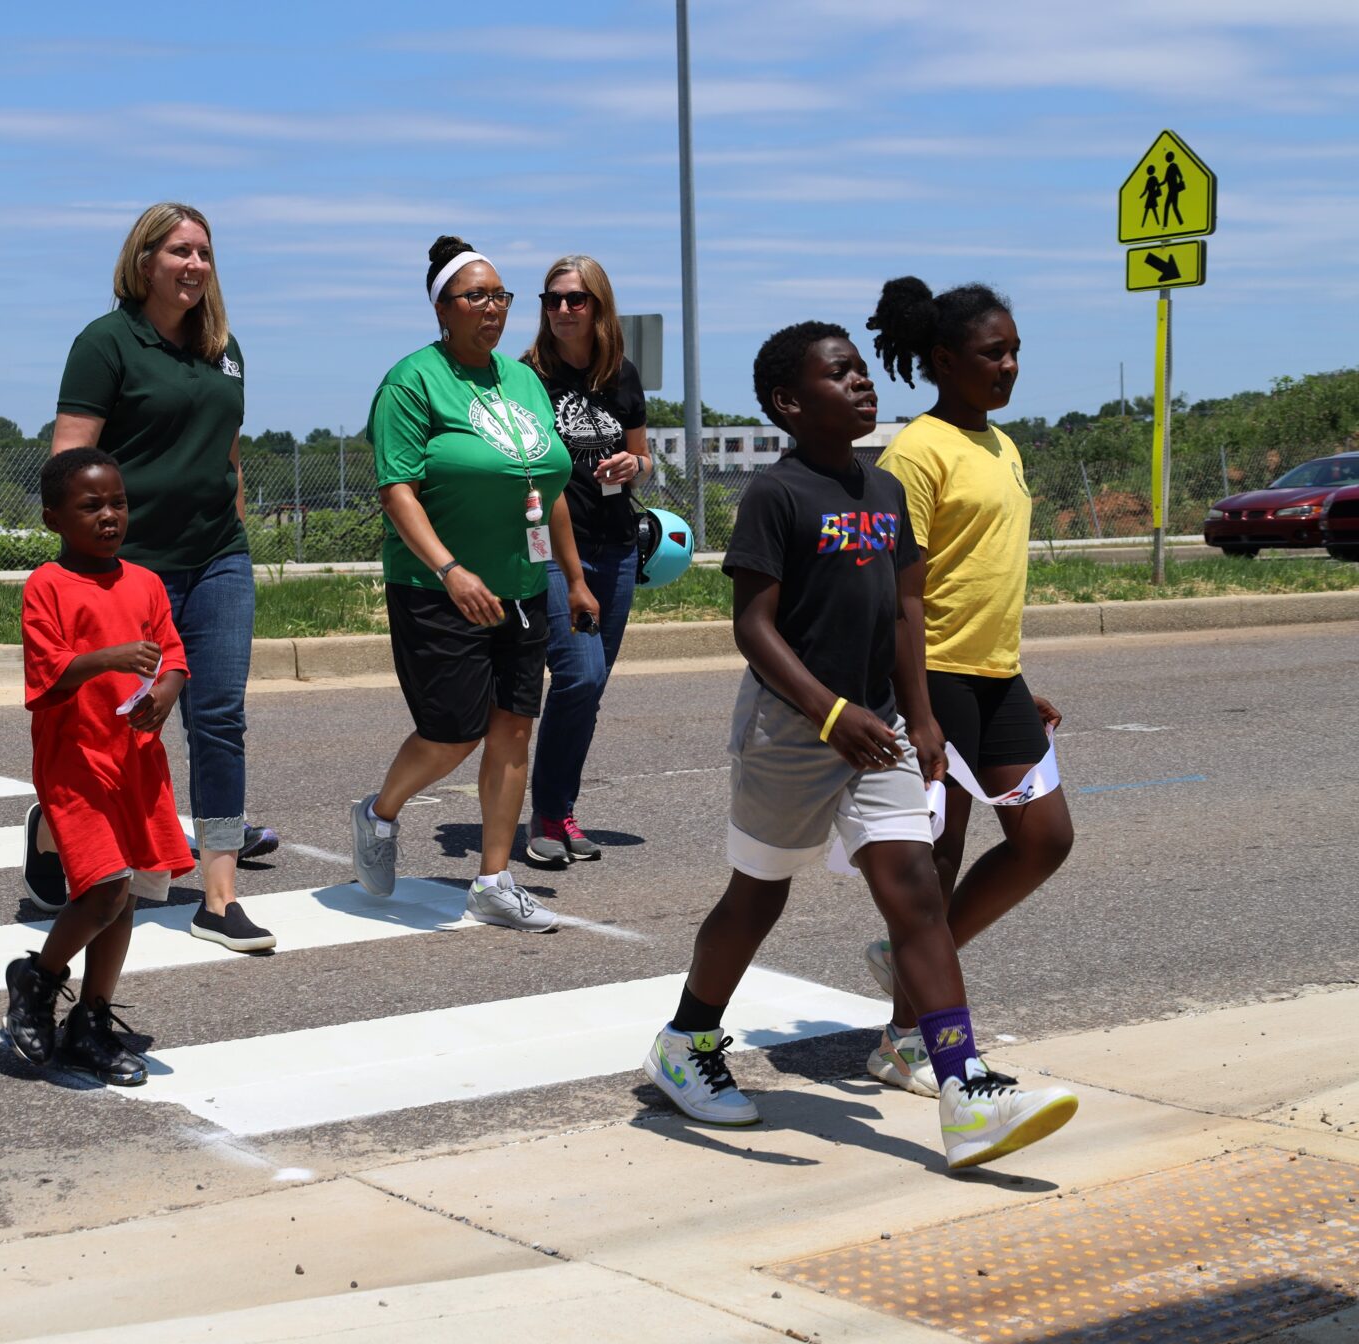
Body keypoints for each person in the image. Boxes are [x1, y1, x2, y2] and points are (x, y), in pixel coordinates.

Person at [639, 320, 1076, 1170]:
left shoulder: (882, 491)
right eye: (839, 375)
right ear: (790, 403)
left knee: (914, 889)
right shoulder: (776, 493)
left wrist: (922, 717)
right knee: (757, 896)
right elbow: (753, 627)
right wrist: (830, 714)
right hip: (792, 730)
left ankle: (966, 1088)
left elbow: (907, 613)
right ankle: (685, 1040)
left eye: (863, 371)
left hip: (880, 726)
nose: (862, 384)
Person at [40, 202, 277, 953]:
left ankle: (218, 893)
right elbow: (70, 459)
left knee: (217, 717)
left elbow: (228, 451)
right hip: (131, 570)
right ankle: (55, 831)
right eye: (179, 251)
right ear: (144, 261)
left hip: (218, 558)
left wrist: (233, 518)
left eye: (204, 252)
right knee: (121, 731)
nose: (195, 265)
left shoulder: (225, 348)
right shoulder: (106, 343)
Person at [859, 277, 1075, 1098]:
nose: (1009, 365)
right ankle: (905, 1041)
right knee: (935, 864)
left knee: (1044, 838)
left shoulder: (1004, 446)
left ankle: (918, 956)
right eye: (994, 353)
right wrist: (912, 711)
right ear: (944, 361)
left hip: (996, 679)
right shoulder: (915, 452)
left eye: (1015, 351)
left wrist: (1018, 675)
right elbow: (896, 591)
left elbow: (983, 575)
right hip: (933, 681)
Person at [349, 235, 589, 932]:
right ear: (442, 308)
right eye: (475, 297)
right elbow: (397, 490)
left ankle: (493, 878)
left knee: (514, 727)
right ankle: (380, 810)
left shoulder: (524, 381)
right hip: (438, 588)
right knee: (453, 731)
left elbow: (550, 483)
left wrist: (571, 576)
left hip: (520, 583)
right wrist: (450, 569)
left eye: (500, 297)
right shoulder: (412, 381)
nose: (493, 309)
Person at [2, 448, 193, 1086]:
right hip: (76, 761)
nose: (109, 515)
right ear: (55, 517)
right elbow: (47, 676)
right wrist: (107, 656)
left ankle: (92, 1018)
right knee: (104, 889)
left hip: (137, 760)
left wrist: (167, 688)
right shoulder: (47, 586)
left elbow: (170, 652)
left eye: (118, 503)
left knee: (130, 891)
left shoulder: (144, 582)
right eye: (91, 506)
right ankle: (38, 980)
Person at [521, 255, 651, 868]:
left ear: (599, 306)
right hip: (548, 550)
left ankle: (559, 809)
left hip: (617, 545)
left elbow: (643, 457)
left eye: (576, 300)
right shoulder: (526, 377)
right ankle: (546, 814)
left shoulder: (621, 375)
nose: (563, 310)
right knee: (580, 676)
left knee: (588, 689)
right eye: (553, 300)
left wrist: (635, 466)